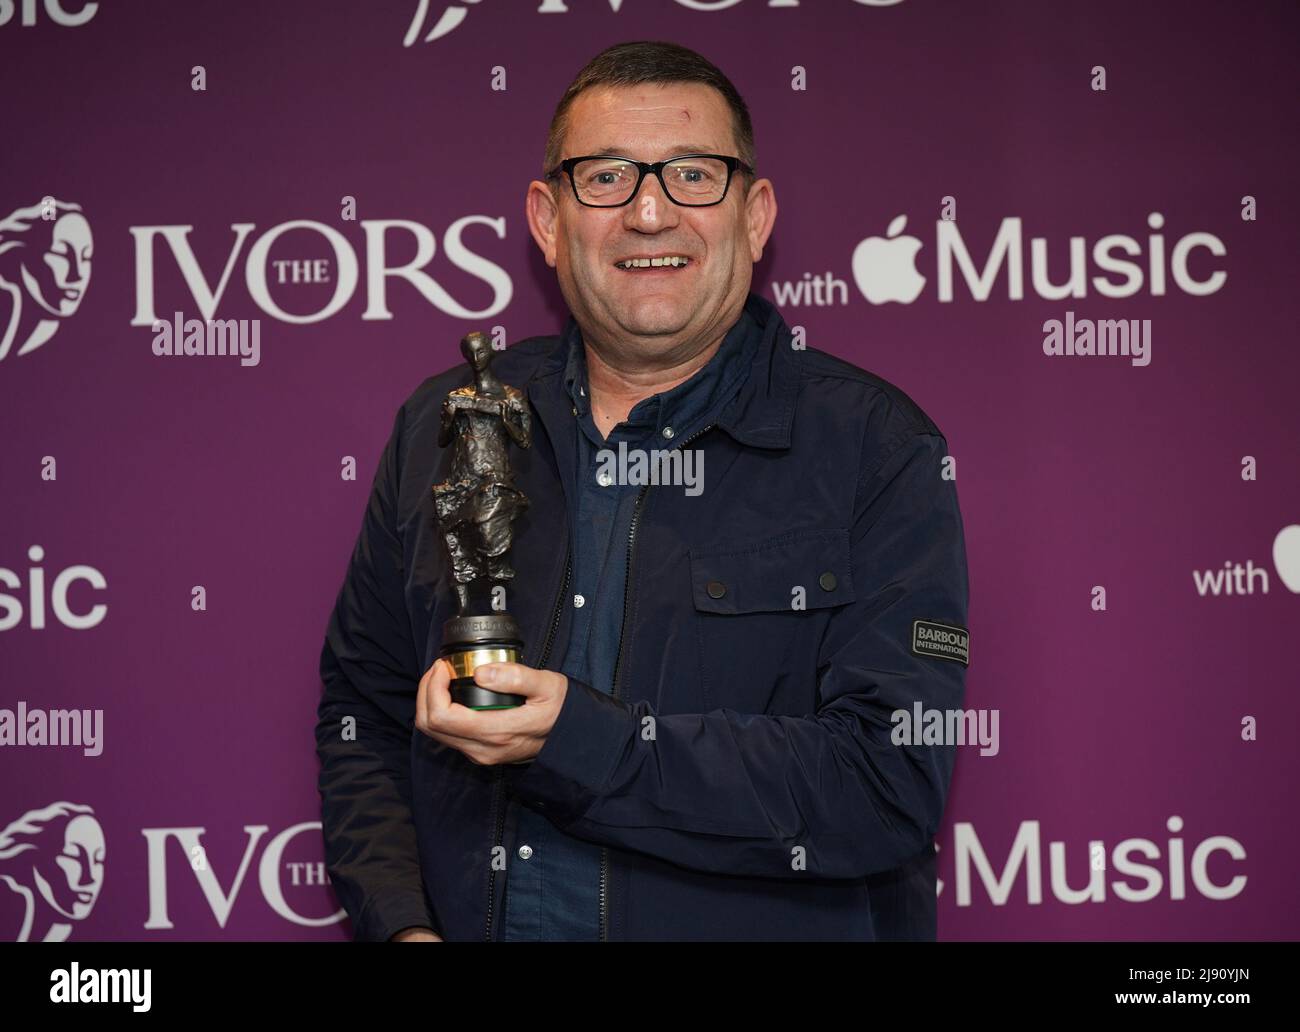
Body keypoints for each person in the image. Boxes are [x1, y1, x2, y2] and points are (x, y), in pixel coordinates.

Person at [315, 39, 970, 942]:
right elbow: (366, 711)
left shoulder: (876, 449)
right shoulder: (452, 422)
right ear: (547, 220)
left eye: (694, 174)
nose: (651, 213)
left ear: (755, 216)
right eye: (607, 177)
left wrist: (581, 740)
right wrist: (404, 928)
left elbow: (885, 786)